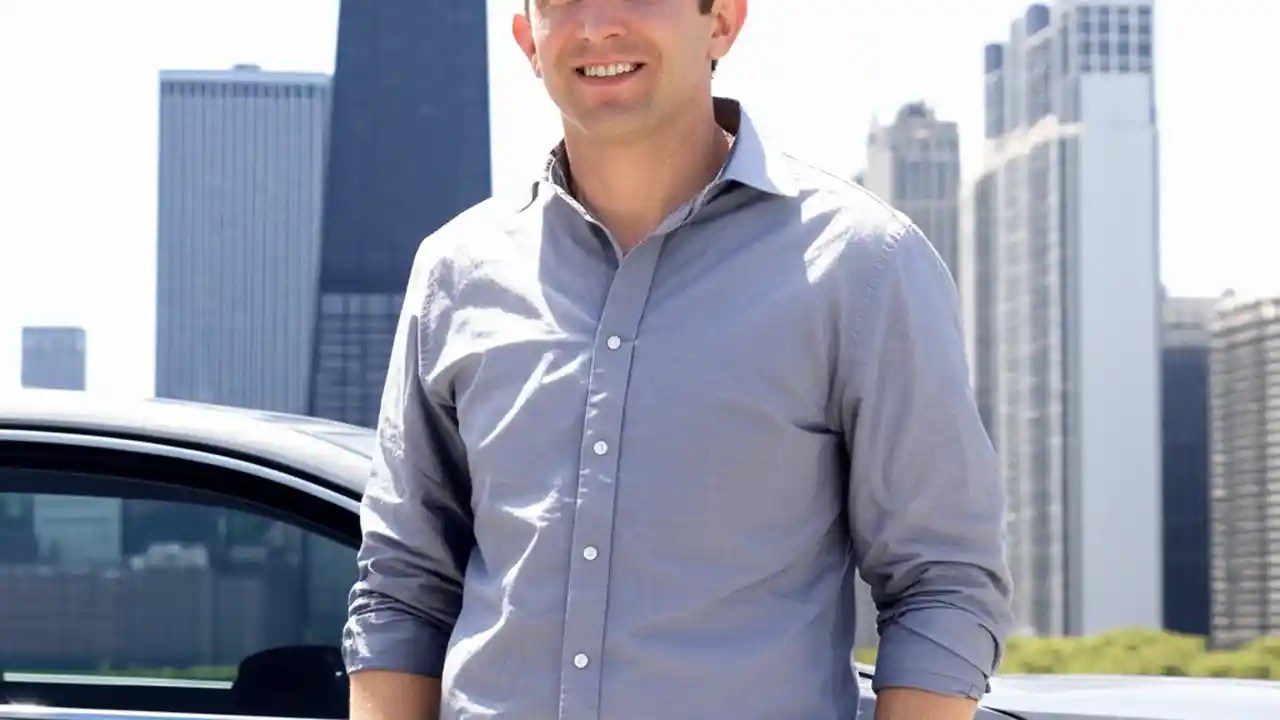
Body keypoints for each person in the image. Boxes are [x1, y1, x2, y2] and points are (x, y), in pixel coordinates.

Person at [342, 0, 1014, 718]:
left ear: (722, 20)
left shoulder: (862, 267)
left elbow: (943, 585)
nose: (597, 25)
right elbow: (402, 588)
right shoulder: (455, 272)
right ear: (527, 40)